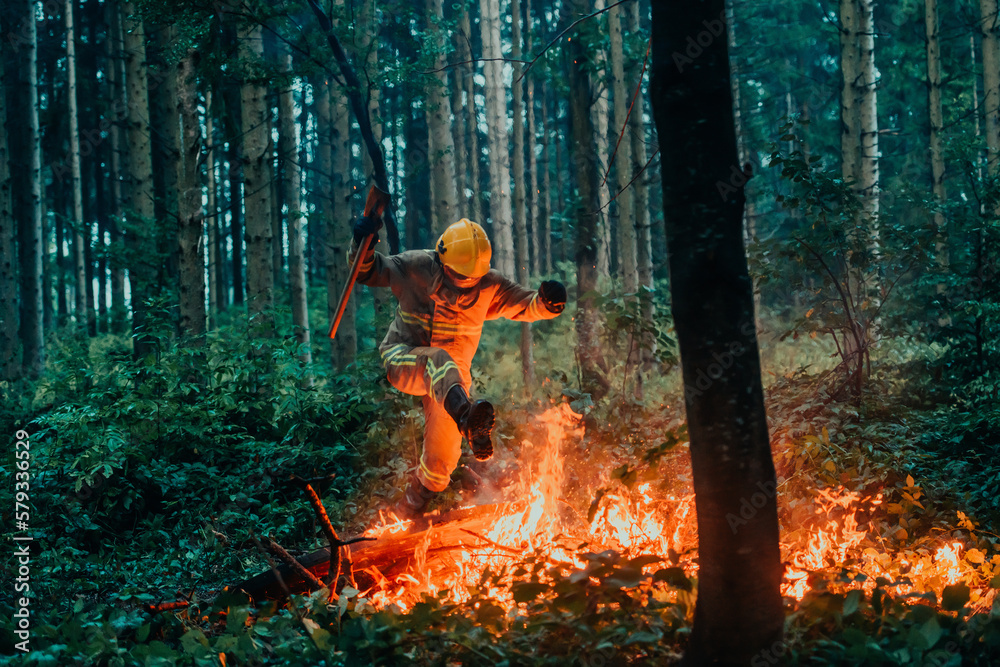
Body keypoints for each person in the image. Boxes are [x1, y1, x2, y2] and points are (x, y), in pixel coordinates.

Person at [350, 216, 567, 518]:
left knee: (441, 465)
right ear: (441, 261)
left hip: (452, 388)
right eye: (458, 276)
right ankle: (466, 419)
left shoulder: (489, 284)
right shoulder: (415, 266)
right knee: (439, 360)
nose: (464, 286)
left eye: (471, 280)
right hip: (405, 358)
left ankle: (408, 511)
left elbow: (525, 305)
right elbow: (370, 271)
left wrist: (547, 303)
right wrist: (363, 245)